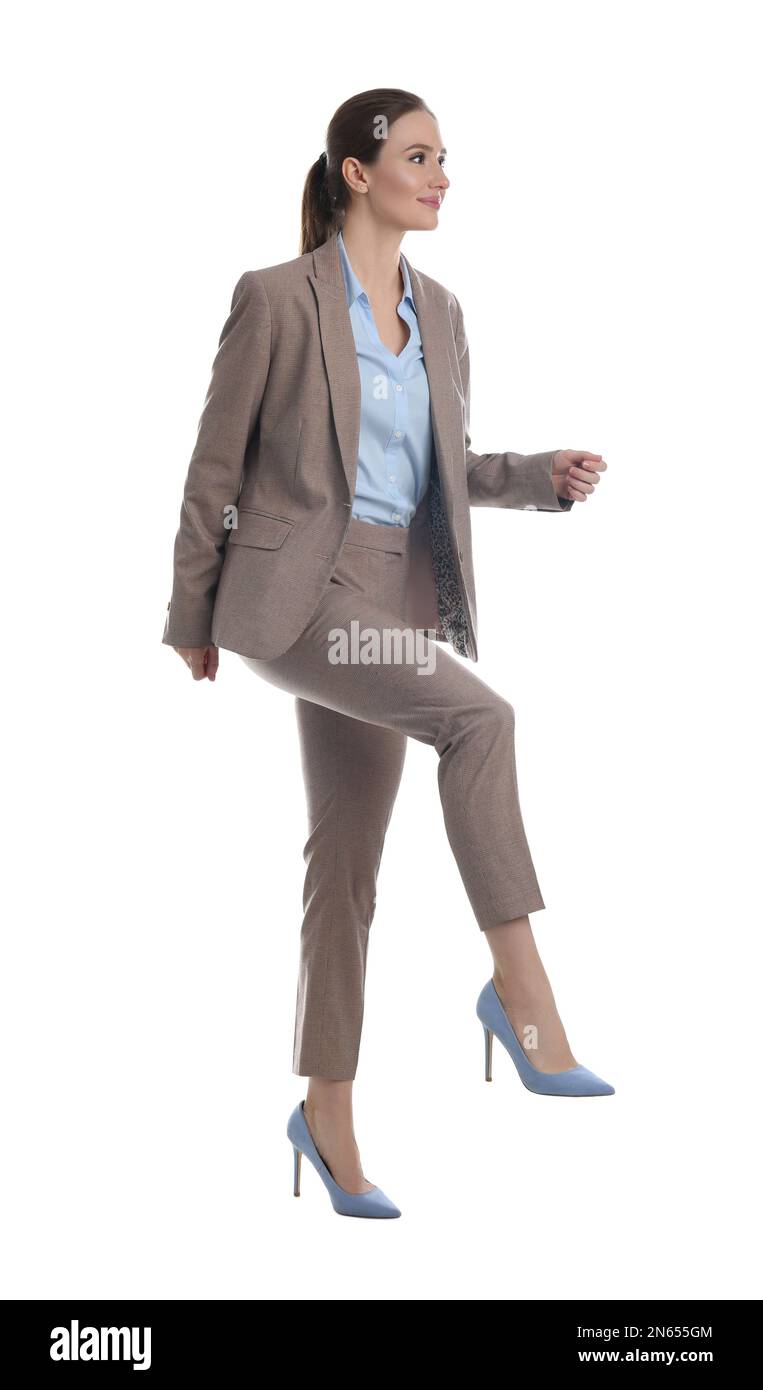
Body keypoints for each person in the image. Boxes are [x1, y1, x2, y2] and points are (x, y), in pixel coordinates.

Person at [162, 87, 613, 1220]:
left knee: (346, 871)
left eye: (445, 157)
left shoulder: (444, 312)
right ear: (357, 173)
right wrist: (189, 613)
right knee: (481, 721)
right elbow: (213, 470)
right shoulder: (275, 298)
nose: (443, 174)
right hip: (297, 597)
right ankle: (522, 994)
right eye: (420, 156)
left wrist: (534, 473)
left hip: (391, 593)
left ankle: (325, 1115)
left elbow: (441, 467)